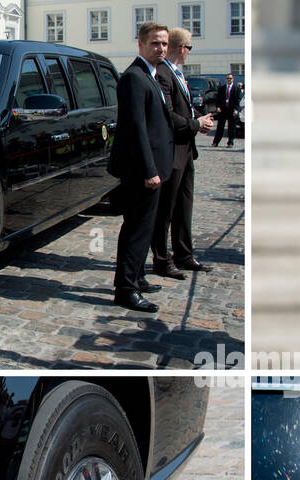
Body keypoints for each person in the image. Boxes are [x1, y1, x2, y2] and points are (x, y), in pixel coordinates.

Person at [108, 21, 176, 313]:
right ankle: (126, 289)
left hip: (155, 167)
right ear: (141, 44)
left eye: (164, 43)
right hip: (141, 171)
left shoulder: (153, 74)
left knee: (144, 228)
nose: (160, 48)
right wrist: (149, 169)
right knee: (136, 230)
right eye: (155, 43)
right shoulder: (135, 77)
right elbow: (135, 128)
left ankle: (136, 276)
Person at [150, 27, 216, 280]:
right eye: (190, 47)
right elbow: (168, 114)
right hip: (172, 150)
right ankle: (161, 259)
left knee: (184, 206)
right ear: (182, 48)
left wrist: (199, 119)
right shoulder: (163, 74)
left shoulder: (177, 73)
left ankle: (184, 254)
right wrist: (195, 124)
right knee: (166, 209)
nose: (189, 52)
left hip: (186, 149)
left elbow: (185, 109)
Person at [211, 73, 242, 148]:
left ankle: (230, 143)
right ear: (226, 79)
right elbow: (218, 98)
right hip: (223, 110)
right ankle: (215, 142)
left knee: (231, 127)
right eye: (227, 78)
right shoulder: (222, 88)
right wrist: (218, 107)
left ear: (233, 79)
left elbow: (238, 100)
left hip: (232, 110)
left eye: (230, 78)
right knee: (220, 127)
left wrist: (236, 109)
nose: (229, 80)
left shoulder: (236, 89)